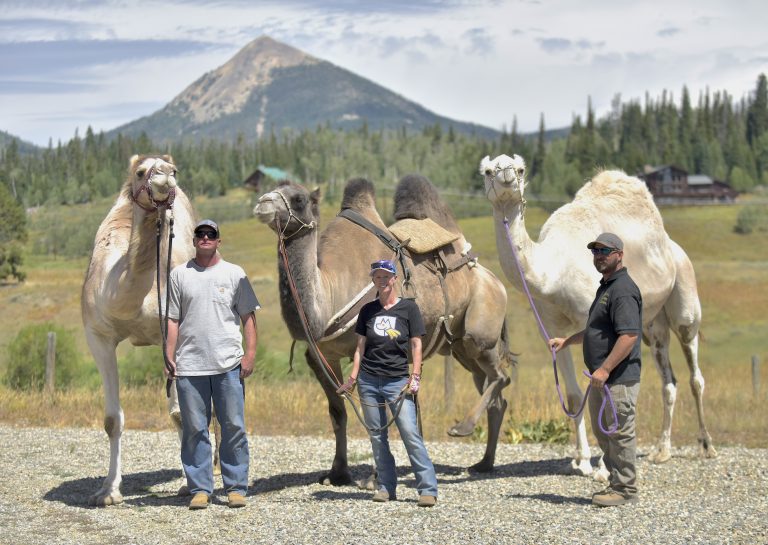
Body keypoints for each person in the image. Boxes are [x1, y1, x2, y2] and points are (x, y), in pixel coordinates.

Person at [165, 219, 260, 510]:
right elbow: (172, 319)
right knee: (194, 429)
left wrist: (250, 354)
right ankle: (200, 489)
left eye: (211, 234)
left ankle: (235, 487)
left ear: (219, 241)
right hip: (189, 365)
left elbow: (248, 317)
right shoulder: (179, 275)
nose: (205, 237)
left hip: (228, 364)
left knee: (233, 426)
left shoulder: (235, 274)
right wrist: (168, 354)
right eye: (200, 234)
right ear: (194, 241)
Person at [548, 232, 642, 507]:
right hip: (602, 379)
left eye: (605, 251)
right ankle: (616, 484)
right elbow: (595, 330)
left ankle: (626, 490)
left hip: (618, 378)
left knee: (620, 433)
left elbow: (629, 336)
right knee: (605, 434)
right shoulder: (607, 287)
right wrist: (567, 341)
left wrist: (605, 370)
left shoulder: (623, 290)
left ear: (619, 255)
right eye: (595, 251)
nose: (599, 256)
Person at [337, 259, 438, 507]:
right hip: (369, 381)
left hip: (397, 382)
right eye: (377, 277)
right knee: (377, 436)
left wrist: (415, 377)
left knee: (410, 434)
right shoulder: (368, 311)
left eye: (386, 276)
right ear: (373, 280)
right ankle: (386, 487)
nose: (382, 281)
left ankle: (427, 489)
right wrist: (352, 378)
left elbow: (416, 344)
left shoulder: (408, 309)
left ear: (394, 279)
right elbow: (360, 347)